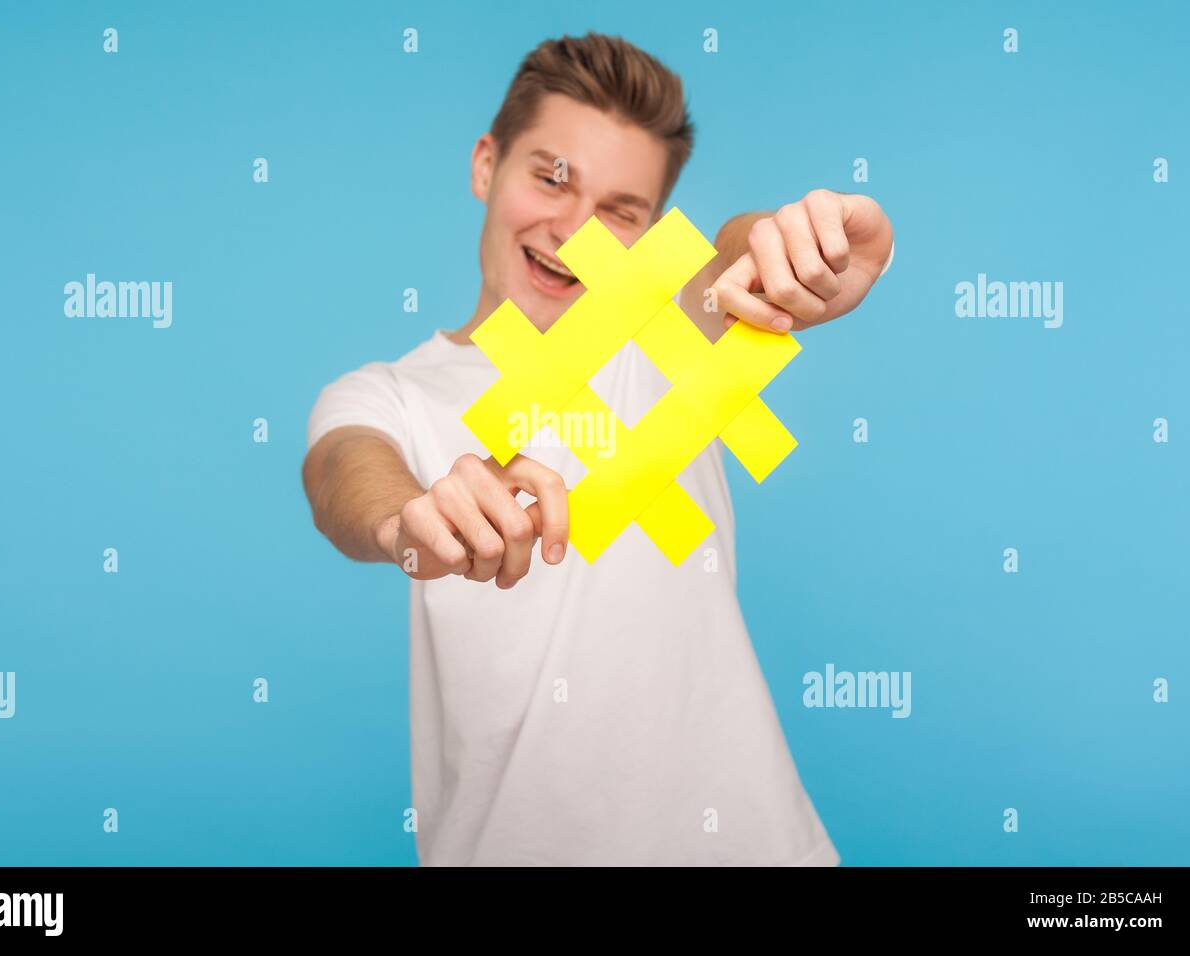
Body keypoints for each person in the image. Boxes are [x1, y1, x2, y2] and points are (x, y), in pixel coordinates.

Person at [302, 32, 894, 865]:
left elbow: (733, 264)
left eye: (621, 212)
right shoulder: (388, 394)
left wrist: (805, 241)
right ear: (485, 165)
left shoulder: (668, 341)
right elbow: (343, 471)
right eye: (551, 177)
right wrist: (409, 518)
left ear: (650, 237)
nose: (573, 229)